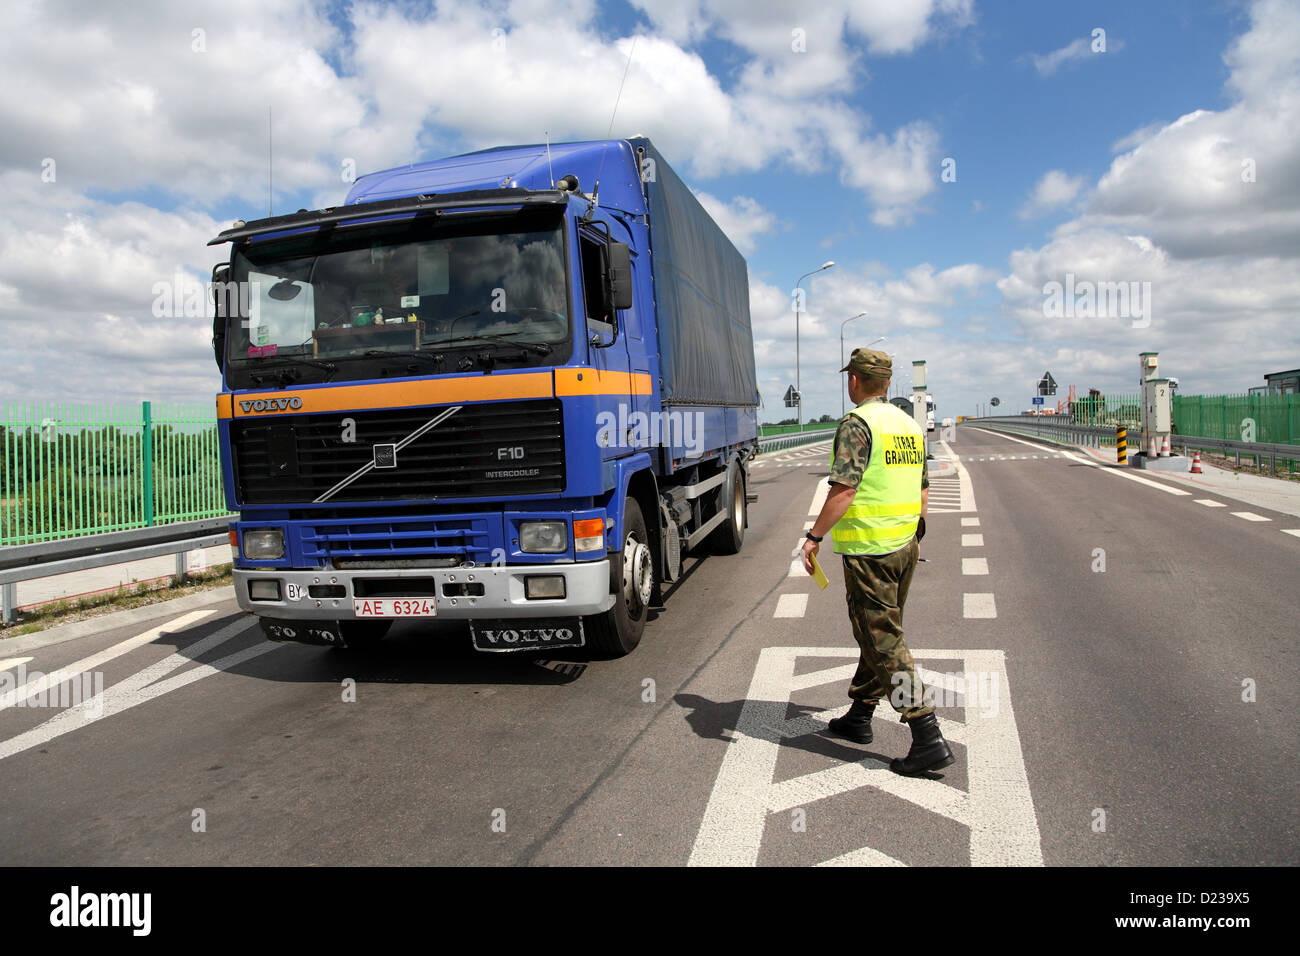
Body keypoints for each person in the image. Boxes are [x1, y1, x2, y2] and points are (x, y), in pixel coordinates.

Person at [798, 348, 954, 776]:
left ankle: (926, 732)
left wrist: (813, 538)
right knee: (879, 630)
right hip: (905, 544)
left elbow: (845, 490)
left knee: (882, 638)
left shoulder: (857, 424)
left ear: (854, 381)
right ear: (885, 383)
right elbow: (923, 485)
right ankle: (860, 715)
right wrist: (915, 529)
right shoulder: (907, 424)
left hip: (871, 550)